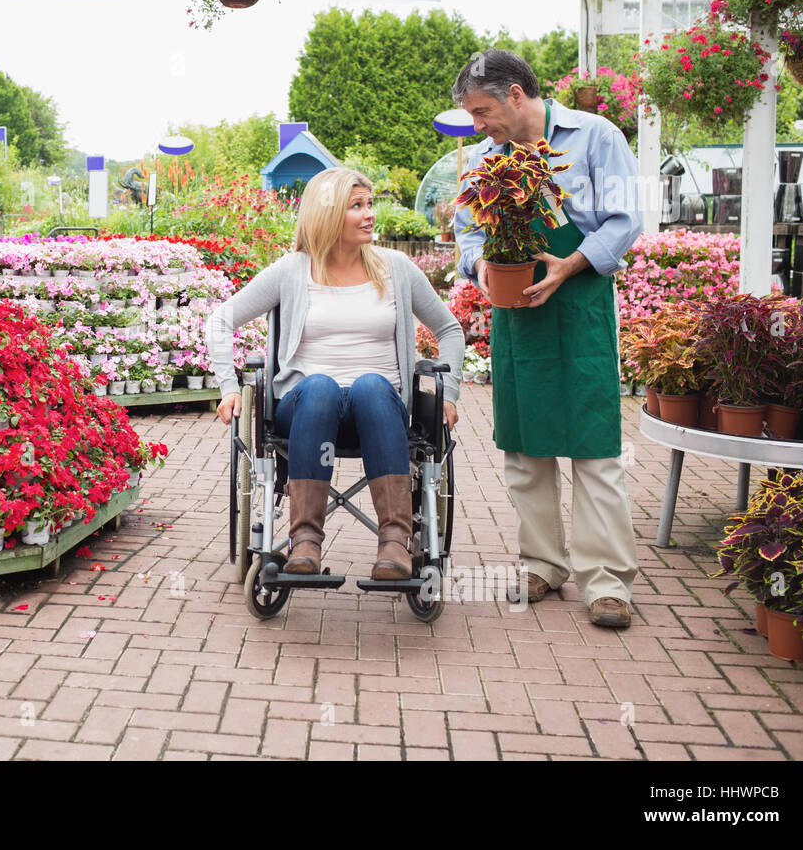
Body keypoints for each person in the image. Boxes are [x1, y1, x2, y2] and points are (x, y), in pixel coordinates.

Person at [451, 48, 643, 629]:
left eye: (483, 112)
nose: (478, 125)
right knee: (526, 446)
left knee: (594, 445)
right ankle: (543, 563)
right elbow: (467, 231)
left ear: (514, 95)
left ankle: (607, 581)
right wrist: (479, 266)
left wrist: (568, 265)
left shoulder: (595, 136)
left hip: (580, 303)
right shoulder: (485, 160)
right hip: (518, 312)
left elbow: (624, 217)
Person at [207, 167, 464, 580]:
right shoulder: (292, 270)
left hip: (379, 412)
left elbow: (449, 329)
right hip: (307, 410)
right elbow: (220, 320)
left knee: (371, 385)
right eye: (356, 206)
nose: (369, 215)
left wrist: (448, 393)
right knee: (321, 387)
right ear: (326, 216)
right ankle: (304, 541)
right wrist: (226, 386)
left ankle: (396, 543)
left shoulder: (396, 268)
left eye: (369, 204)